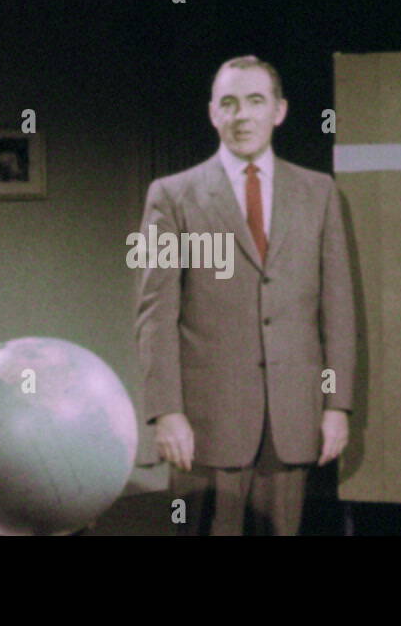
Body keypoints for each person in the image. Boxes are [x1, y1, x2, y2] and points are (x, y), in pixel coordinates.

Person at [135, 55, 357, 535]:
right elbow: (155, 315)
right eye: (229, 104)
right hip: (206, 426)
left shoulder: (320, 193)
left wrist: (336, 406)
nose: (242, 116)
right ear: (214, 113)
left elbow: (338, 311)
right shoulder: (171, 195)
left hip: (292, 419)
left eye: (256, 101)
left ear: (279, 110)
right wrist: (166, 412)